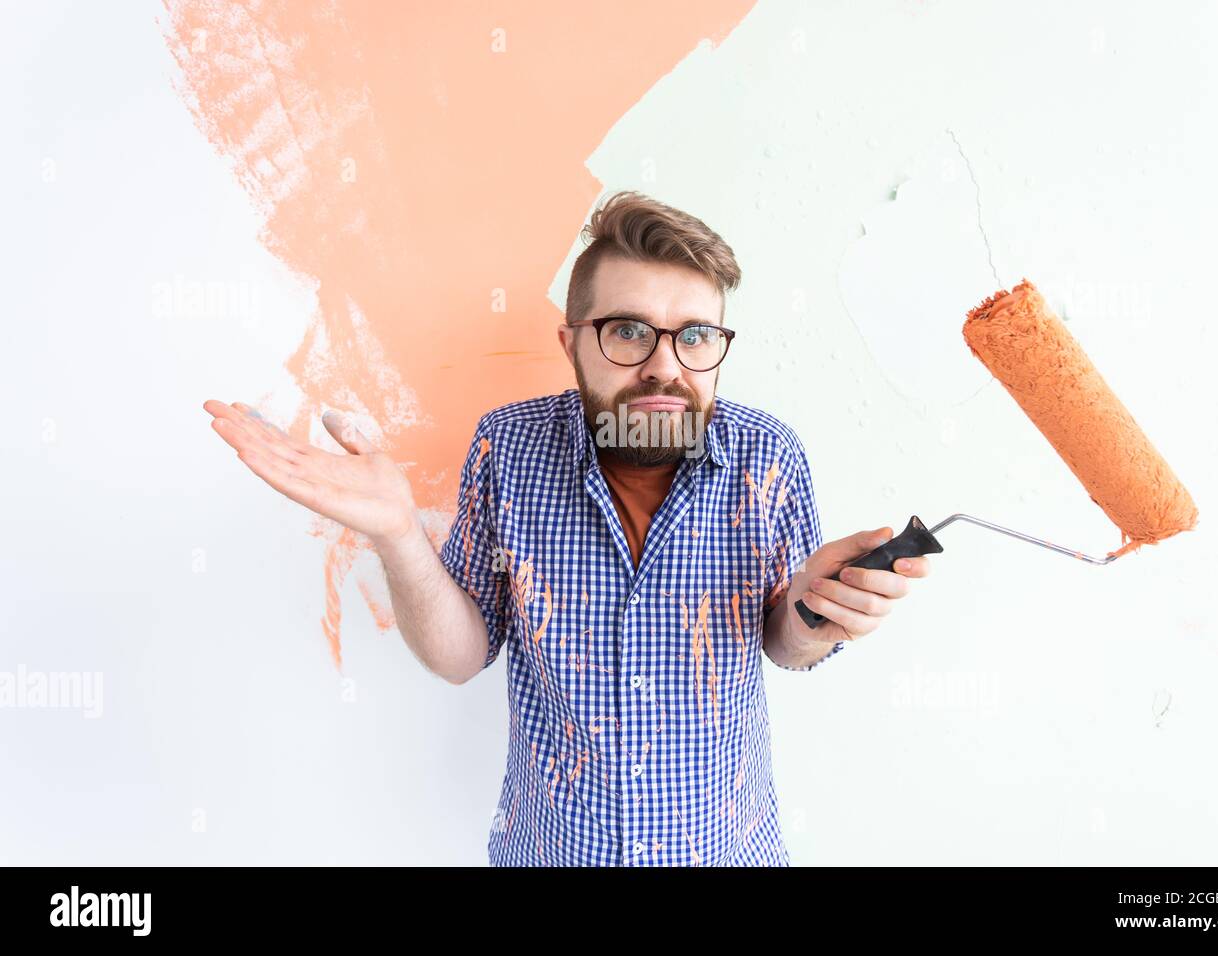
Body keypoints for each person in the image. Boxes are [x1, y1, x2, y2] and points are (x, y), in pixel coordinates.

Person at [203, 190, 932, 866]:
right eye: (627, 332)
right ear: (571, 342)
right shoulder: (507, 448)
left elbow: (785, 647)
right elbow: (463, 656)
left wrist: (814, 610)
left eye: (696, 336)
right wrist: (397, 533)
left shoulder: (769, 455)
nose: (663, 368)